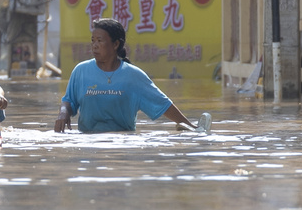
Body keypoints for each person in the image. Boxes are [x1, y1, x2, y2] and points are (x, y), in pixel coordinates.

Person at [55, 18, 210, 134]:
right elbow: (69, 101)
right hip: (87, 142)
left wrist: (192, 128)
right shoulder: (81, 71)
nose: (94, 45)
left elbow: (163, 104)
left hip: (123, 143)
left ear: (115, 44)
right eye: (92, 40)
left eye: (100, 41)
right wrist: (63, 113)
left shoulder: (133, 76)